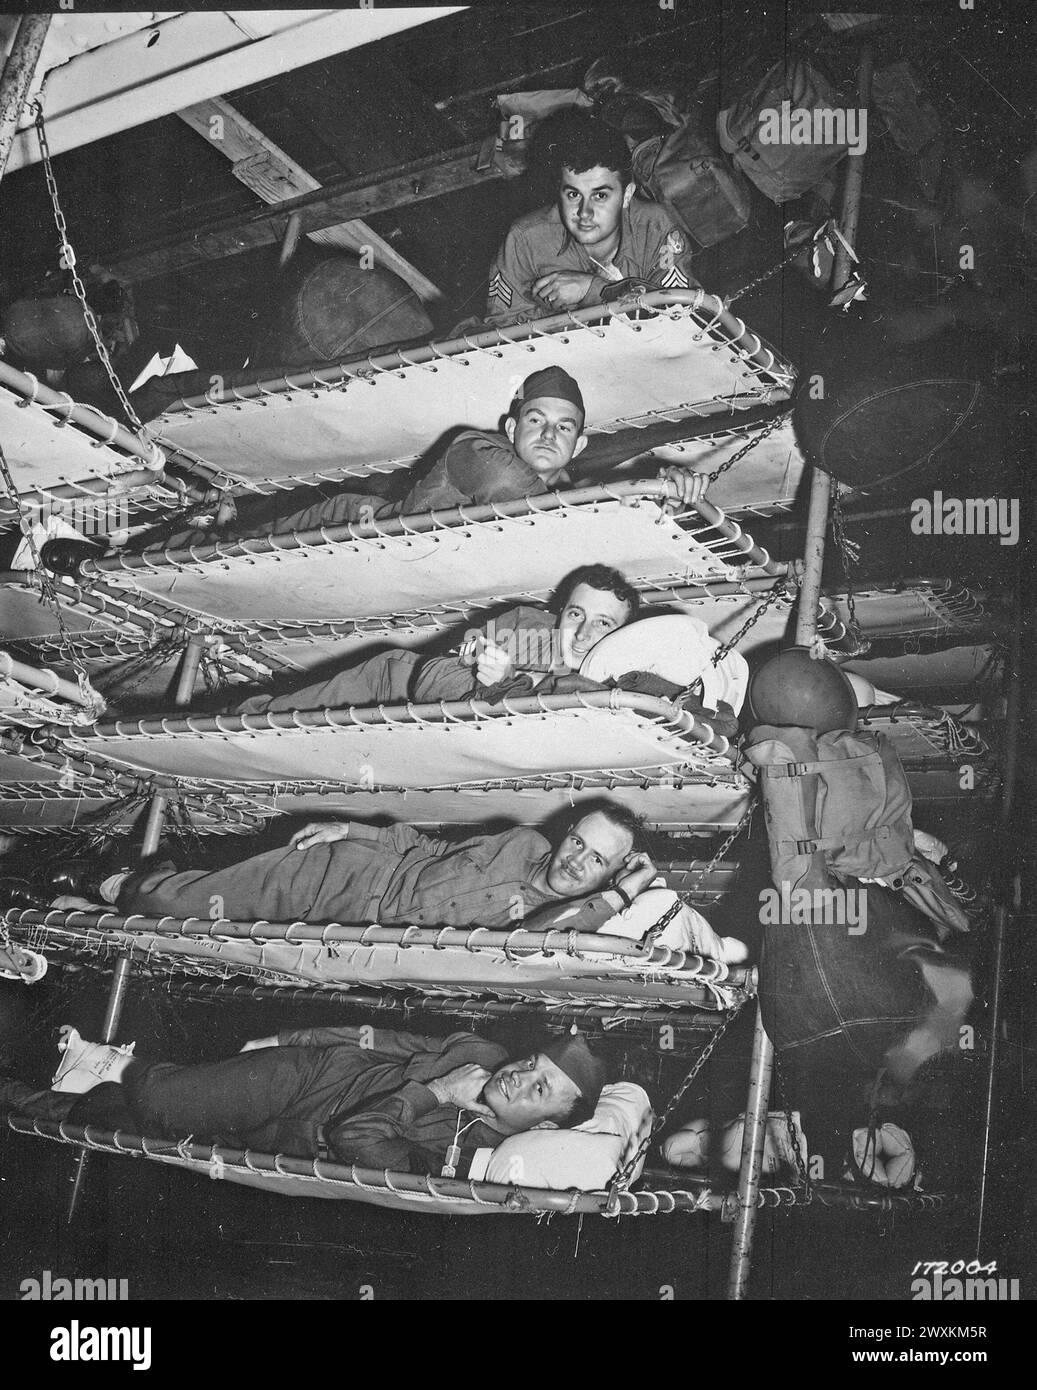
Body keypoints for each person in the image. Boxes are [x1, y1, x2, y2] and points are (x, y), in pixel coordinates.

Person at [40, 365, 703, 568]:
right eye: (536, 421)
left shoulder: (565, 498)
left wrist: (665, 487)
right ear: (511, 427)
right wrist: (635, 487)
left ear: (579, 445)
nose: (549, 435)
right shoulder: (478, 449)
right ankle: (100, 555)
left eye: (564, 429)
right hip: (348, 524)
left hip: (377, 567)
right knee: (221, 551)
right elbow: (514, 492)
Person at [0, 1027, 608, 1176]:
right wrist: (289, 1038)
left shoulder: (473, 1162)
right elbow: (374, 1039)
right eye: (531, 1064)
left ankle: (70, 1087)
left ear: (551, 1122)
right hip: (307, 1076)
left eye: (540, 1089)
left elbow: (356, 1141)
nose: (520, 1077)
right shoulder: (477, 1047)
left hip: (291, 1140)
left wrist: (437, 1094)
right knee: (161, 1103)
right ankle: (112, 1061)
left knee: (128, 1126)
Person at [54, 800, 662, 935]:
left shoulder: (551, 921)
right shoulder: (522, 839)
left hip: (349, 921)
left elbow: (539, 942)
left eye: (597, 859)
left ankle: (128, 882)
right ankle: (102, 879)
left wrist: (628, 894)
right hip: (344, 870)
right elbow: (427, 848)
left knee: (204, 918)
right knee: (180, 907)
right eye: (578, 841)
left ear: (609, 874)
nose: (577, 859)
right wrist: (351, 829)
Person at [233, 562, 640, 714]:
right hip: (393, 681)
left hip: (425, 729)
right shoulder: (529, 626)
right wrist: (492, 669)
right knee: (268, 719)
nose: (584, 632)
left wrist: (512, 681)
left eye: (604, 623)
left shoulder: (612, 681)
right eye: (576, 614)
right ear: (559, 614)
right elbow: (438, 677)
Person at [482, 114, 701, 328]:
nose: (584, 212)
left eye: (600, 196)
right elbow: (502, 327)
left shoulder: (655, 228)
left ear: (626, 195)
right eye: (573, 195)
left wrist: (593, 290)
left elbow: (681, 320)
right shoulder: (525, 240)